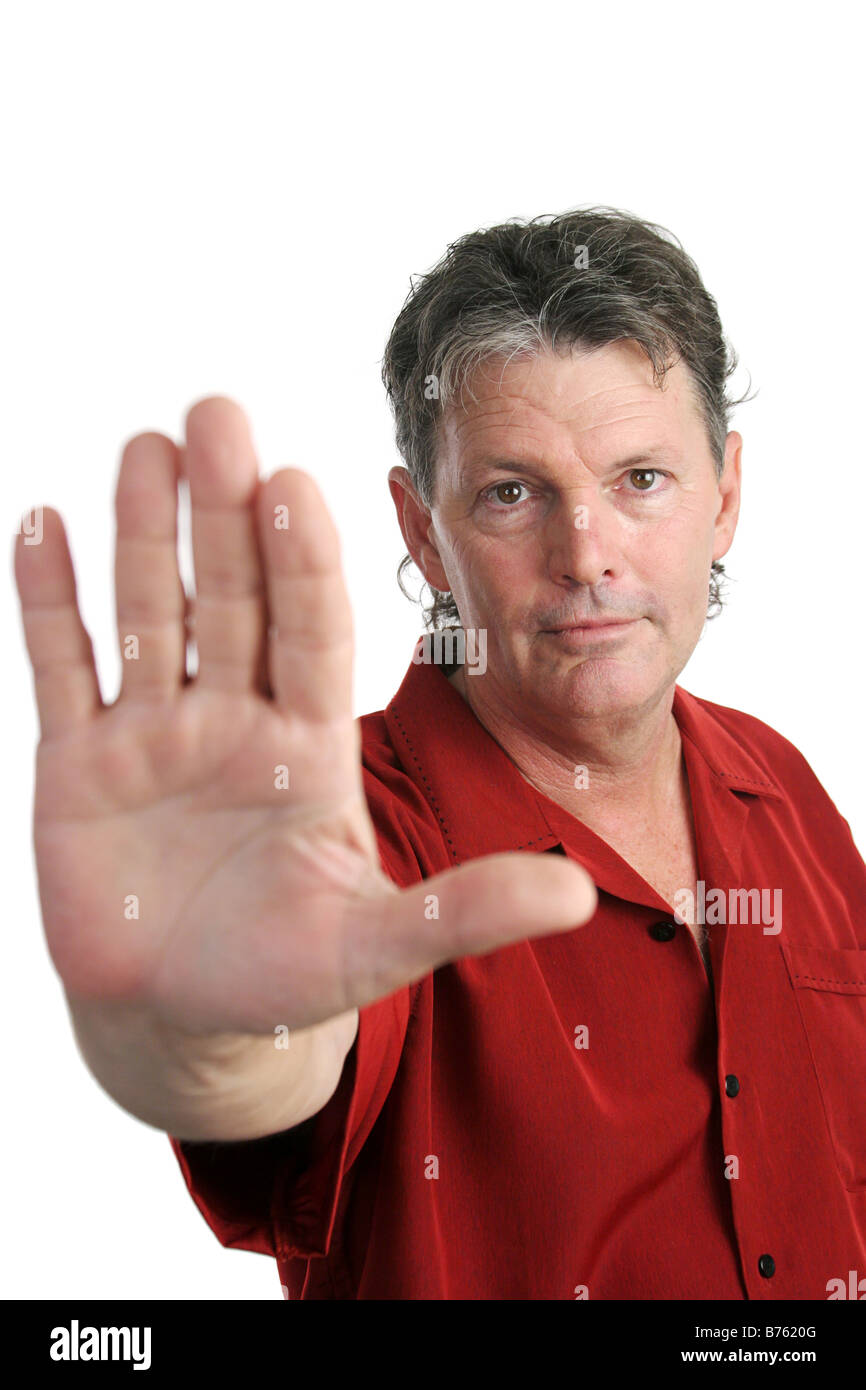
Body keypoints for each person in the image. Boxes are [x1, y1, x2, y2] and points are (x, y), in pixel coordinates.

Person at [14, 207, 866, 1301]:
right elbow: (269, 1055)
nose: (585, 552)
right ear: (422, 531)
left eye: (638, 480)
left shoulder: (783, 783)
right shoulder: (347, 833)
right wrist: (213, 1028)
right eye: (510, 493)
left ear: (726, 494)